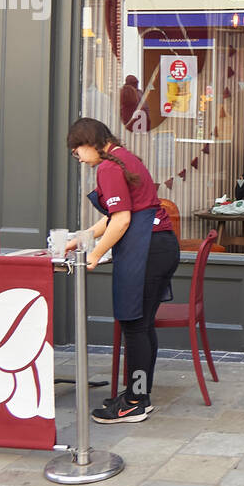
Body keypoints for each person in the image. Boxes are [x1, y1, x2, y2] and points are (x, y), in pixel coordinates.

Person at [66, 117, 179, 424]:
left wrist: (94, 255)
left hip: (148, 249)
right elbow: (118, 216)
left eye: (76, 147)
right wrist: (81, 239)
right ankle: (138, 395)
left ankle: (134, 402)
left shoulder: (108, 167)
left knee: (136, 326)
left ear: (89, 141)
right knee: (142, 325)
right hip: (159, 246)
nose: (75, 154)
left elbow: (122, 220)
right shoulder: (124, 158)